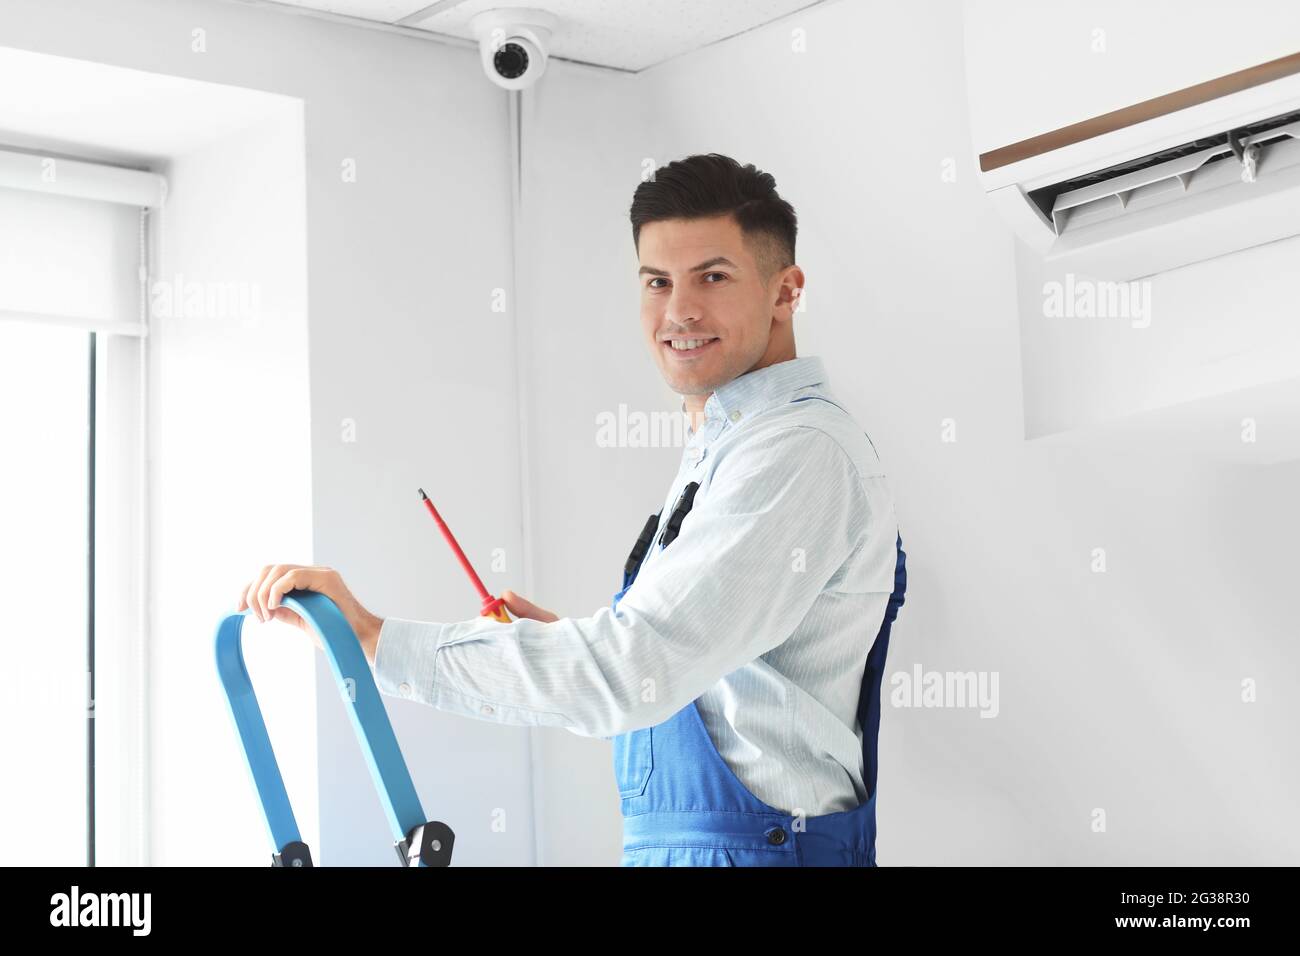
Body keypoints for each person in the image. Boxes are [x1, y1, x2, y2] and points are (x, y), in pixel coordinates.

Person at [236, 153, 907, 866]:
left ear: (785, 291)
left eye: (712, 277)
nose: (679, 310)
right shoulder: (728, 448)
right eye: (657, 281)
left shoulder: (795, 452)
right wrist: (567, 645)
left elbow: (632, 672)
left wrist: (373, 641)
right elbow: (692, 671)